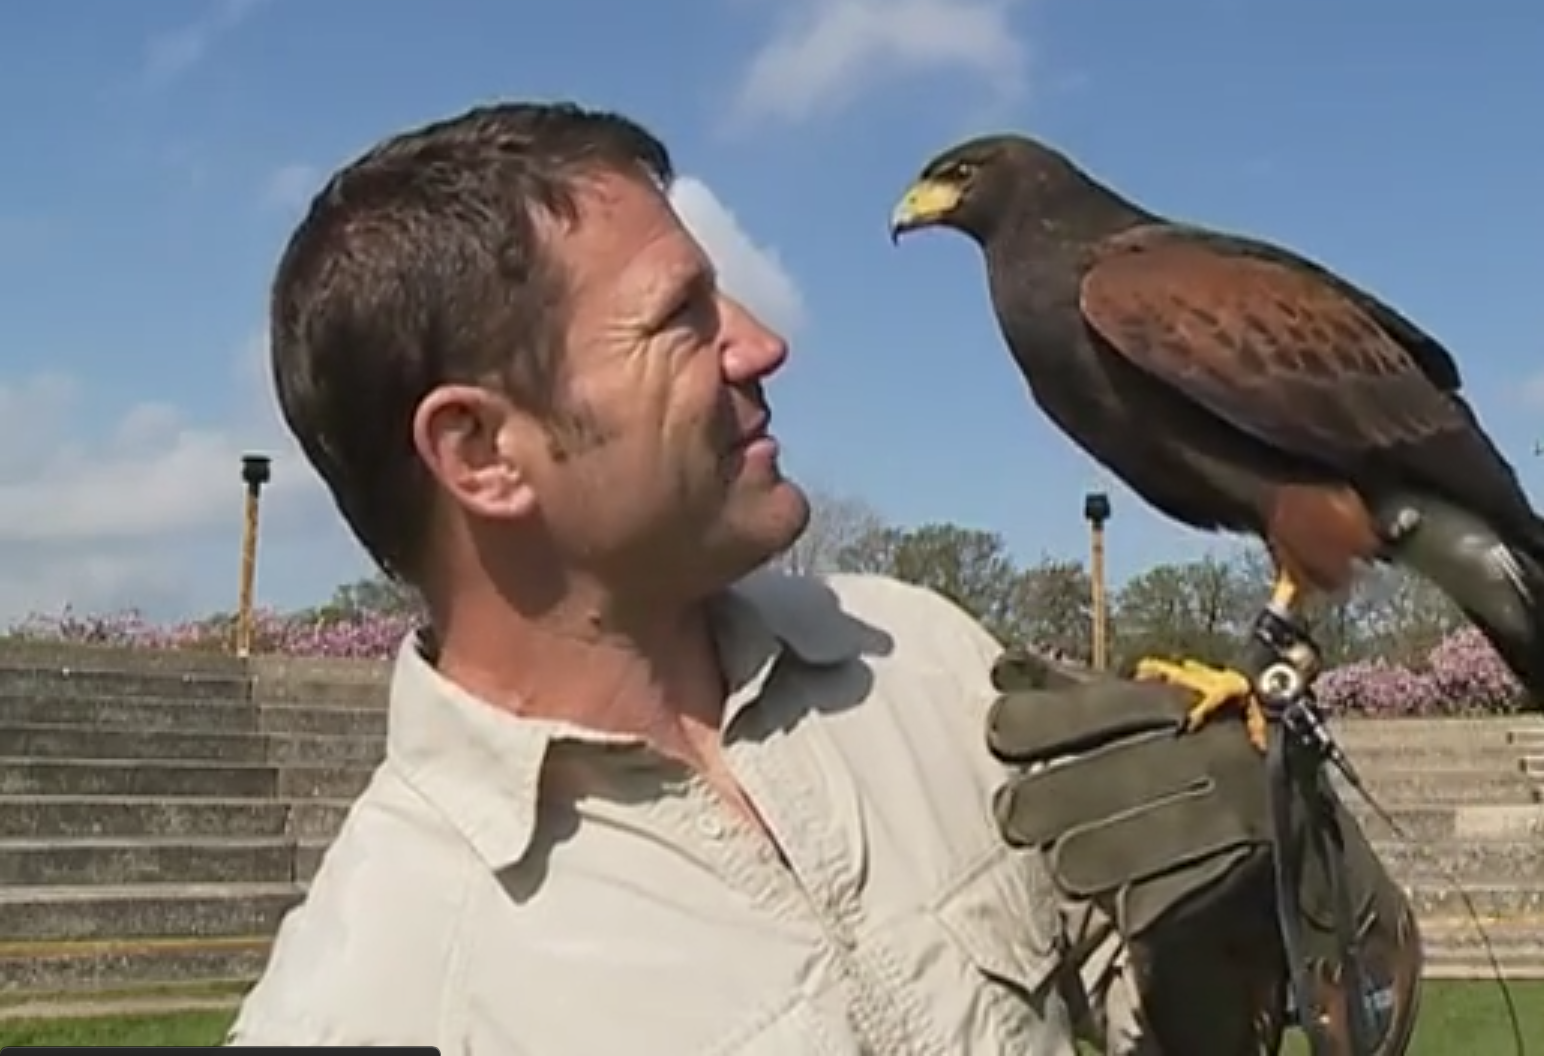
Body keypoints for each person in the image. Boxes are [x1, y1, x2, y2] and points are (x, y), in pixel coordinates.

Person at [226, 99, 1422, 1055]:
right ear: (482, 452)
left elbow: (1307, 1010)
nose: (764, 341)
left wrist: (1292, 916)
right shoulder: (374, 1001)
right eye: (682, 317)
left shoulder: (922, 659)